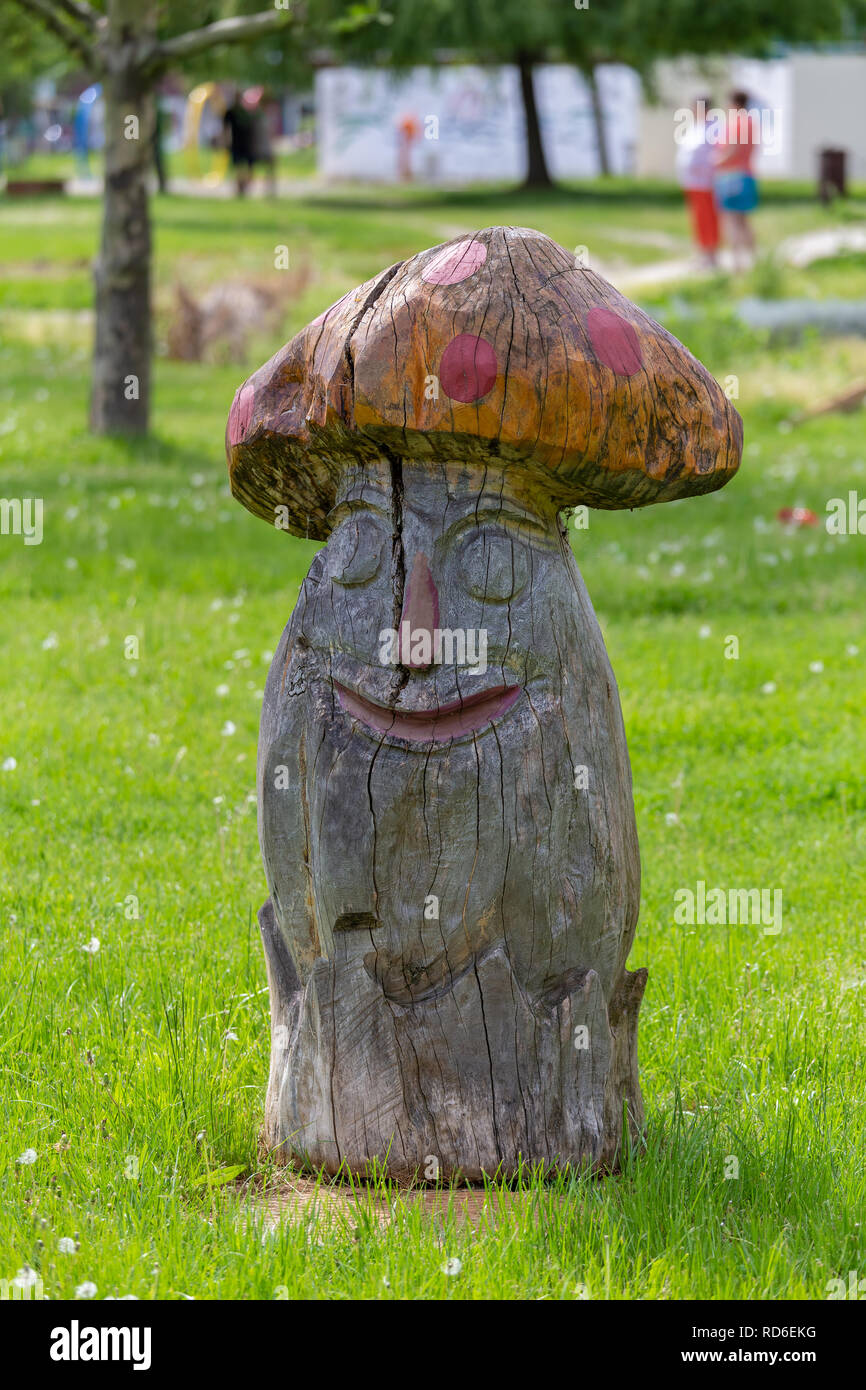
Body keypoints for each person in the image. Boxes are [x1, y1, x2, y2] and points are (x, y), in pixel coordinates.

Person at [714, 90, 760, 271]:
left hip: (731, 175)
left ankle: (737, 265)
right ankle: (755, 261)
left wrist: (715, 163)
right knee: (743, 221)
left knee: (731, 221)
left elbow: (733, 148)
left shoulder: (736, 122)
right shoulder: (750, 122)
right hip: (746, 174)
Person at [675, 96, 720, 268]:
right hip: (692, 182)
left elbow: (716, 152)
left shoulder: (714, 128)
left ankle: (712, 255)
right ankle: (701, 252)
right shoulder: (695, 127)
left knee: (709, 218)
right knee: (698, 218)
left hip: (706, 182)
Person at [223, 87, 256, 196]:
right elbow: (226, 129)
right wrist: (226, 142)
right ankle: (239, 189)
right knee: (238, 167)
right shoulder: (231, 112)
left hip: (246, 143)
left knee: (247, 167)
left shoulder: (246, 112)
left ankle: (245, 187)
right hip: (236, 143)